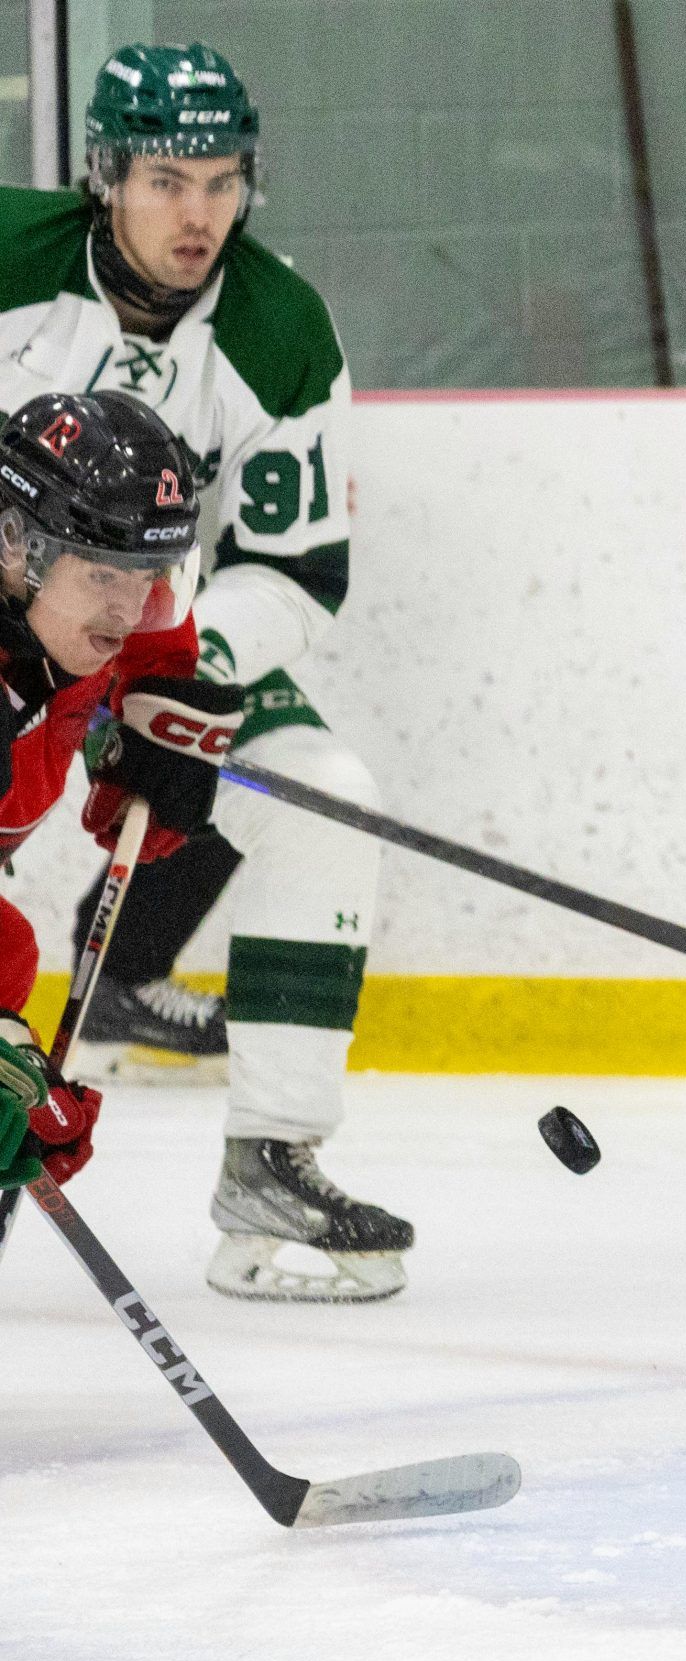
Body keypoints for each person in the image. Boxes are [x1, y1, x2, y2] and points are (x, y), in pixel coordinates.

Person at [0, 42, 408, 1301]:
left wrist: (178, 674)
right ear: (105, 173)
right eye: (170, 178)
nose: (199, 214)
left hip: (155, 634)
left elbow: (291, 568)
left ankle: (273, 1157)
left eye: (225, 182)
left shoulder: (279, 330)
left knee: (324, 795)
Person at [0, 392, 238, 1200]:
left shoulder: (73, 612)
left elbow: (156, 642)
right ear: (11, 543)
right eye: (105, 573)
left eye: (150, 575)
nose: (130, 609)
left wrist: (159, 715)